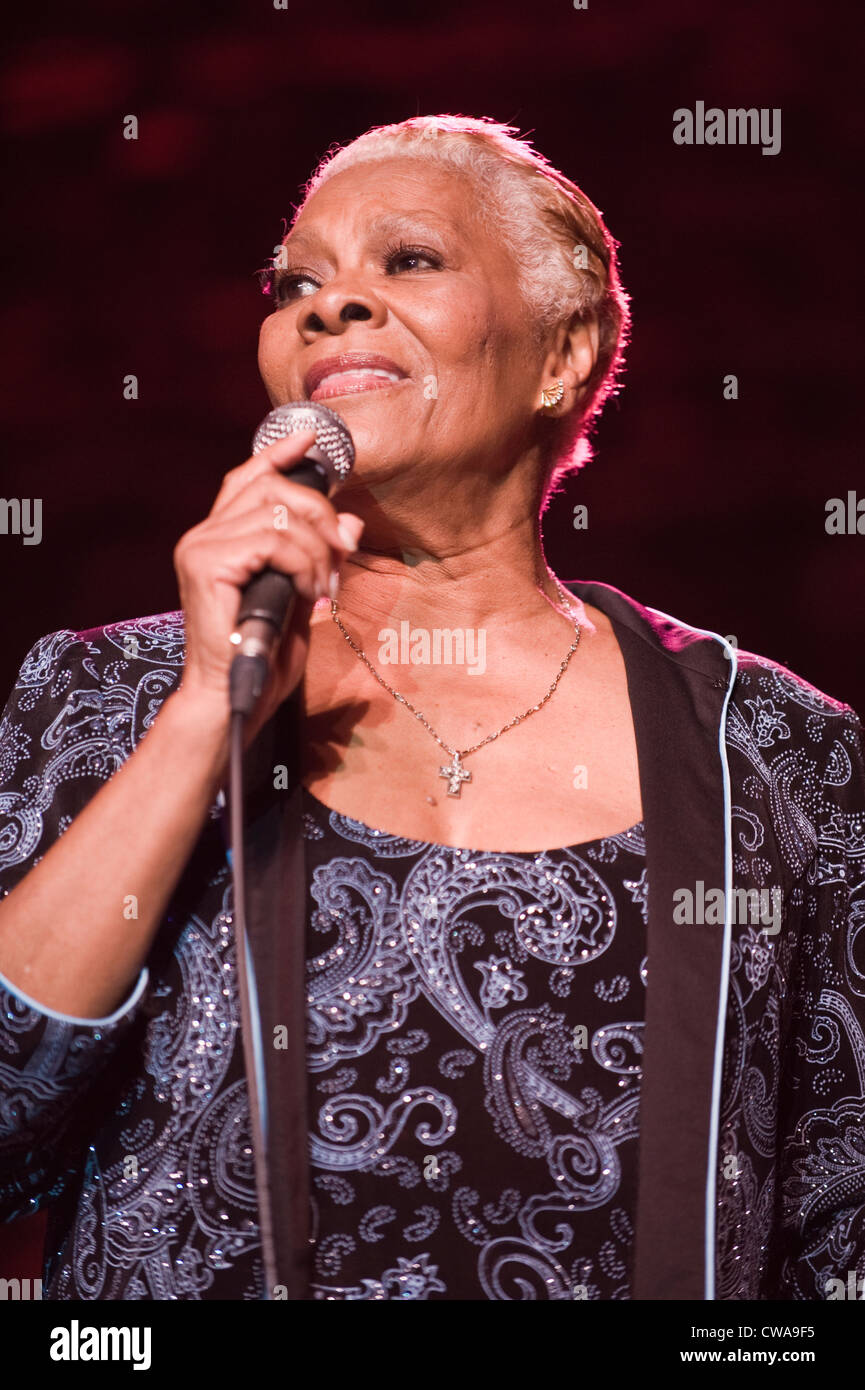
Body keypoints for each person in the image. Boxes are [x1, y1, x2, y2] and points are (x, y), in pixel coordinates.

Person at [0, 114, 862, 1301]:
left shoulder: (771, 749)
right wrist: (208, 704)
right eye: (294, 282)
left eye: (407, 261)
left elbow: (837, 1226)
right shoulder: (104, 696)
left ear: (564, 353)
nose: (328, 306)